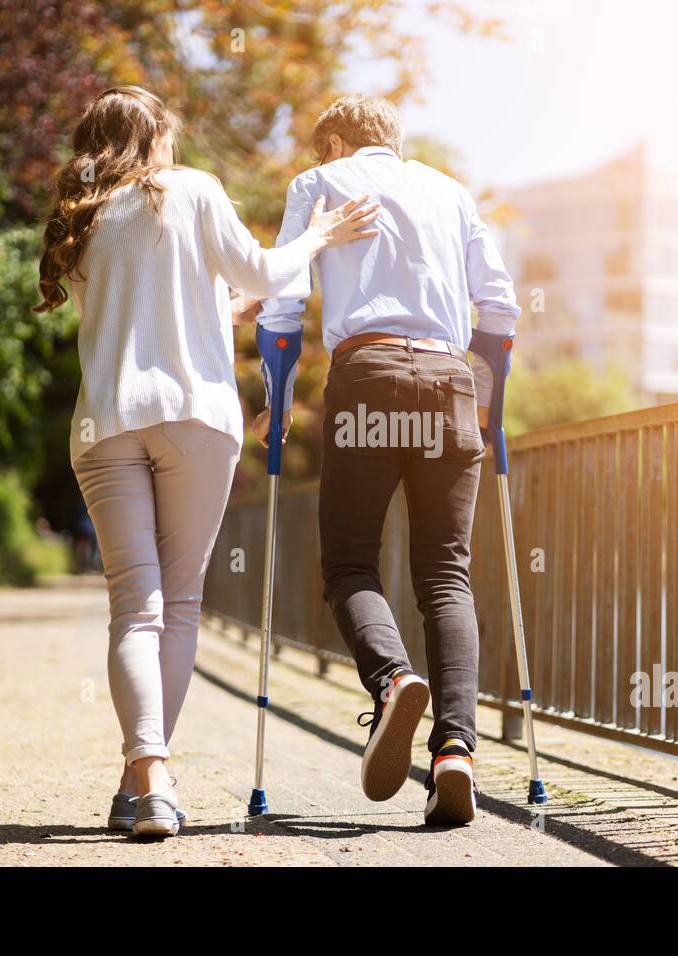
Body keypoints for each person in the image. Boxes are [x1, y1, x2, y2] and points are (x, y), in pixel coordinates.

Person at [35, 86, 377, 837]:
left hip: (106, 425)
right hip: (194, 418)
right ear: (154, 135)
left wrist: (221, 310)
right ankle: (152, 774)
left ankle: (144, 775)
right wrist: (317, 237)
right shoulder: (190, 190)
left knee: (134, 604)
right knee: (180, 603)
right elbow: (263, 271)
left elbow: (145, 309)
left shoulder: (83, 216)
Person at [252, 94, 520, 826]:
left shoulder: (319, 186)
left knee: (348, 563)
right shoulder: (452, 192)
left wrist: (276, 395)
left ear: (336, 140)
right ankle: (456, 751)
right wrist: (486, 404)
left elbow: (282, 303)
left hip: (367, 374)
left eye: (319, 148)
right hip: (448, 380)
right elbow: (499, 307)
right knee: (446, 573)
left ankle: (393, 679)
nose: (315, 162)